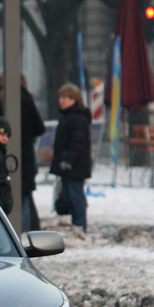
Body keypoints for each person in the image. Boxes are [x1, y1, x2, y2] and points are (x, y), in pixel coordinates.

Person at [0, 75, 46, 231]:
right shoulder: (27, 103)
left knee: (0, 201)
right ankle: (25, 236)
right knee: (24, 200)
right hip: (25, 159)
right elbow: (40, 128)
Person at [49, 83, 91, 238]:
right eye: (60, 97)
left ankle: (80, 227)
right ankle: (77, 226)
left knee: (75, 197)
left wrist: (68, 159)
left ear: (75, 99)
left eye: (65, 97)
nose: (61, 100)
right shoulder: (69, 117)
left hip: (74, 167)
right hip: (68, 166)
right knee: (69, 197)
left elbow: (78, 142)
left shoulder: (77, 118)